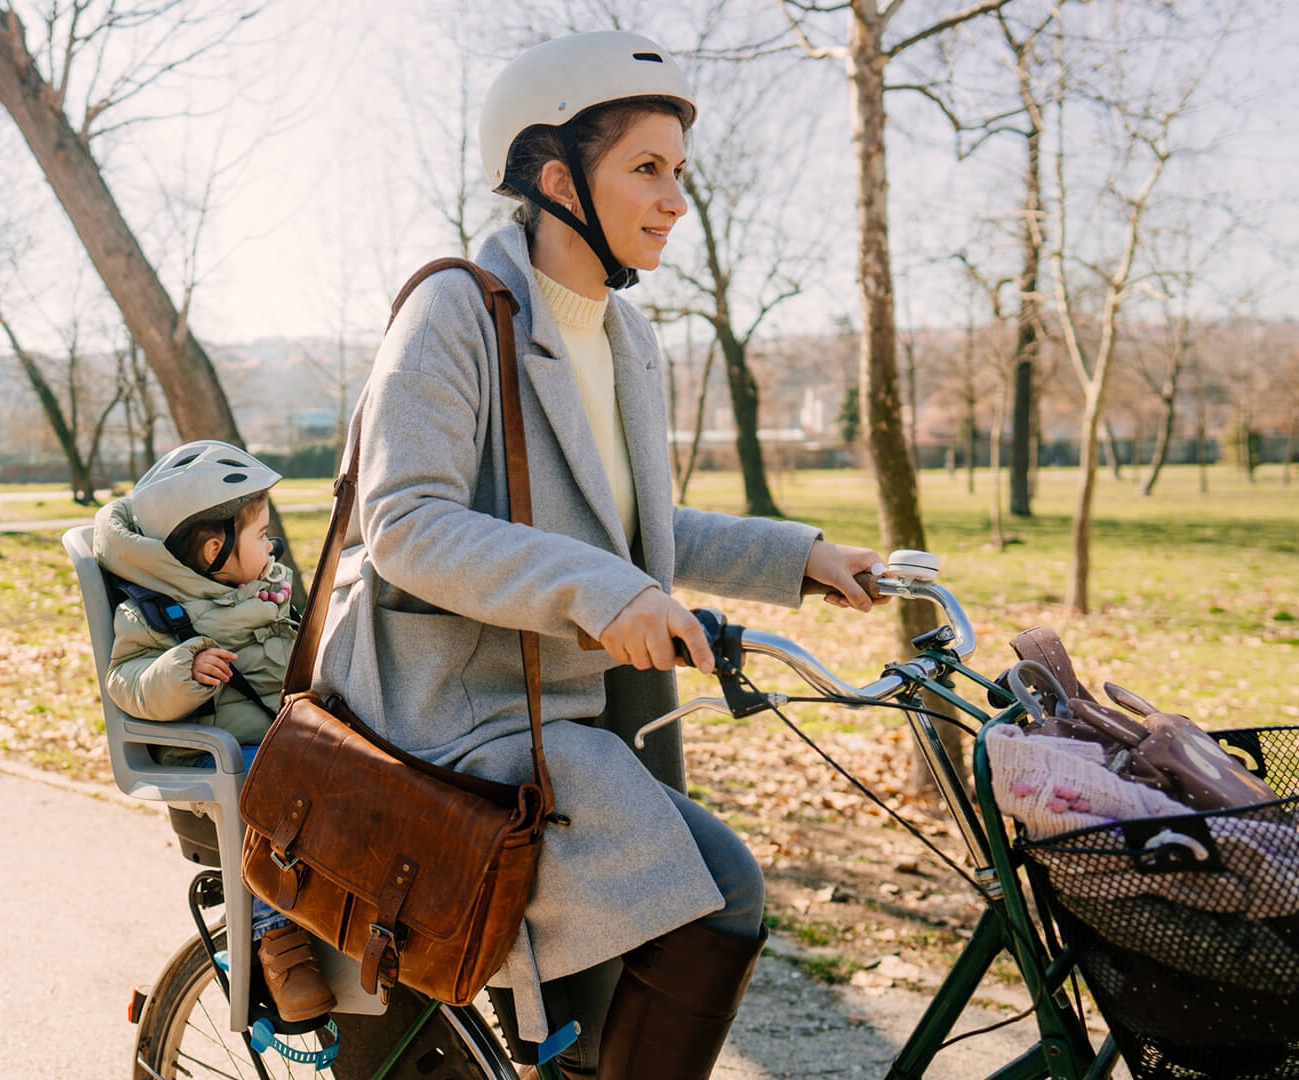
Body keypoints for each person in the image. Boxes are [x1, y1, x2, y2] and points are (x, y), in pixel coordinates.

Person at [309, 31, 887, 1080]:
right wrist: (602, 590)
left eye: (680, 174)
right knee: (719, 895)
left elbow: (638, 530)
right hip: (457, 710)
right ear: (555, 175)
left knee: (614, 980)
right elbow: (405, 523)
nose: (674, 200)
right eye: (648, 169)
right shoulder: (454, 311)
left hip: (574, 701)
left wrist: (801, 558)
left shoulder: (625, 340)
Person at [92, 440, 336, 1022]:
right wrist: (185, 668)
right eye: (260, 535)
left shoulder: (262, 591)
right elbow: (126, 683)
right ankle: (278, 944)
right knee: (265, 782)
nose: (271, 545)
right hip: (215, 757)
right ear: (214, 549)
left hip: (280, 740)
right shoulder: (154, 613)